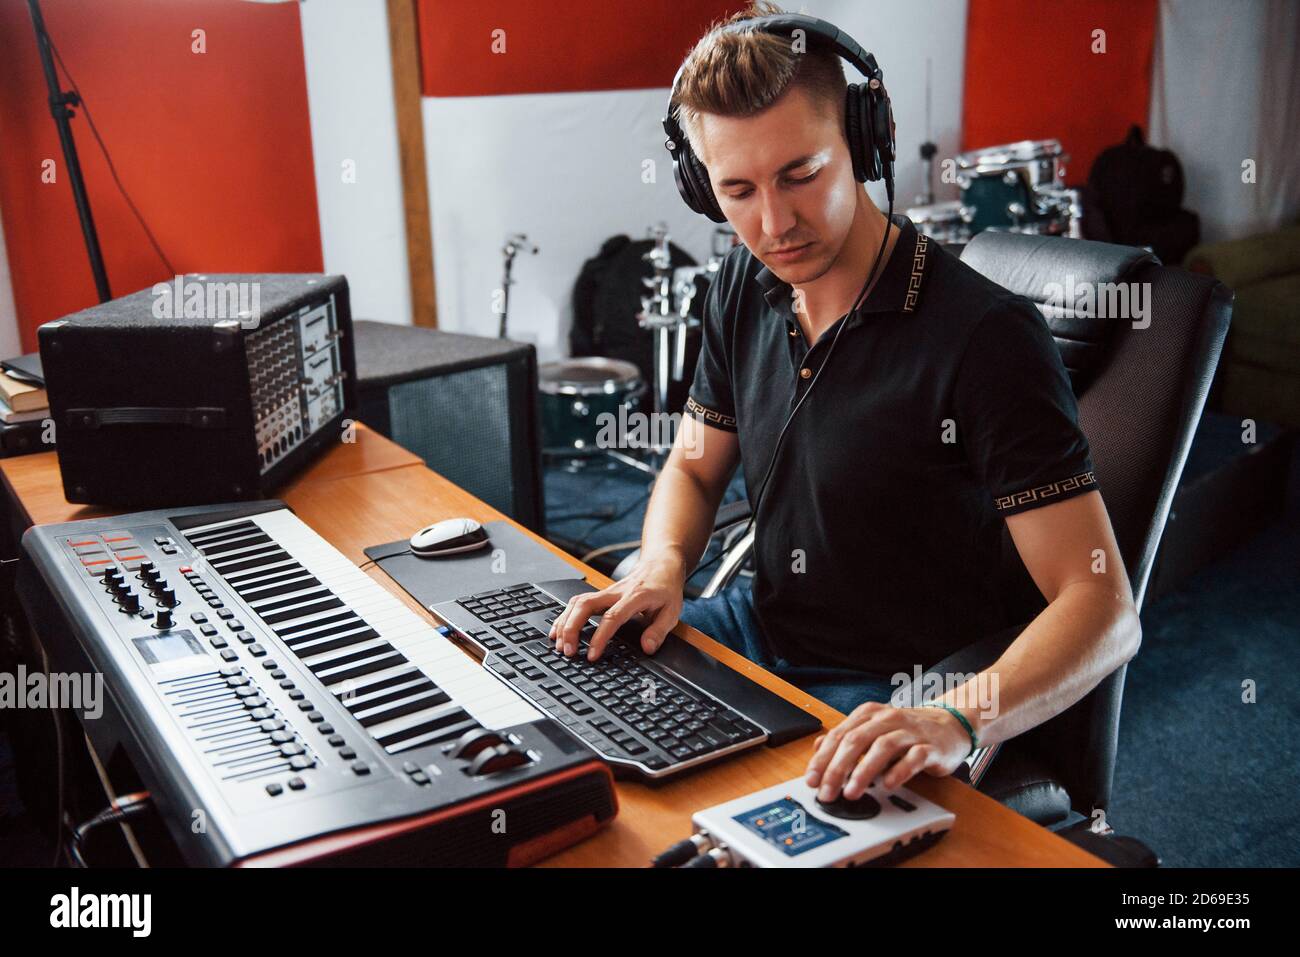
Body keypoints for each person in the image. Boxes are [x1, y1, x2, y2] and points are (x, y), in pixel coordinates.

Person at [549, 2, 1140, 804]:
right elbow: (691, 469)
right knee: (559, 722)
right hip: (758, 626)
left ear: (863, 145)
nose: (775, 222)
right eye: (738, 190)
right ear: (701, 186)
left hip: (893, 687)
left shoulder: (987, 337)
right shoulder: (740, 286)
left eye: (801, 175)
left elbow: (1105, 607)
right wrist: (662, 563)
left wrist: (953, 718)